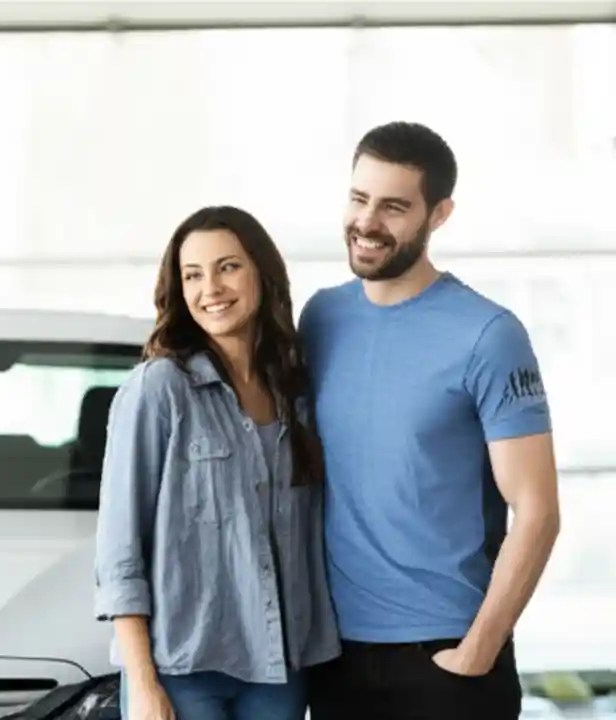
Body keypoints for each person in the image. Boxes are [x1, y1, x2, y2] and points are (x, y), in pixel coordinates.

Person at [300, 121, 561, 719]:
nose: (367, 222)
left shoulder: (489, 335)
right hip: (336, 655)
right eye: (359, 198)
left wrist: (478, 650)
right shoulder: (321, 318)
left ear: (438, 214)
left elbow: (539, 510)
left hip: (445, 655)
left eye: (394, 207)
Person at [93, 206, 341, 720]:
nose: (211, 288)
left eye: (227, 267)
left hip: (281, 671)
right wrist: (141, 684)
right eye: (192, 275)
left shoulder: (295, 393)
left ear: (261, 274)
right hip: (183, 672)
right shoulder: (159, 389)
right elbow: (120, 549)